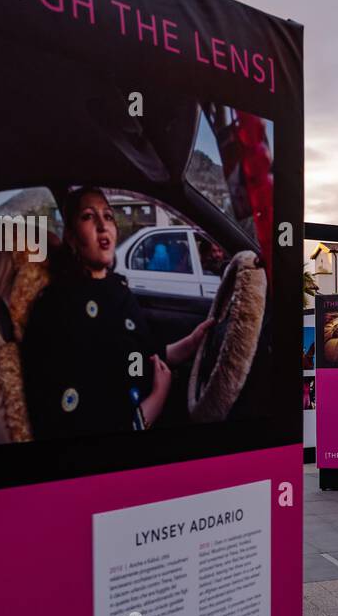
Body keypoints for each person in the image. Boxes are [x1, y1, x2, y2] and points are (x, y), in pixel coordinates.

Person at [22, 188, 213, 440]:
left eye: (108, 216)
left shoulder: (117, 288)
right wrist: (156, 401)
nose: (103, 225)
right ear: (70, 237)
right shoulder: (59, 305)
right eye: (88, 217)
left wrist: (191, 343)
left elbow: (141, 352)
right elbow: (78, 421)